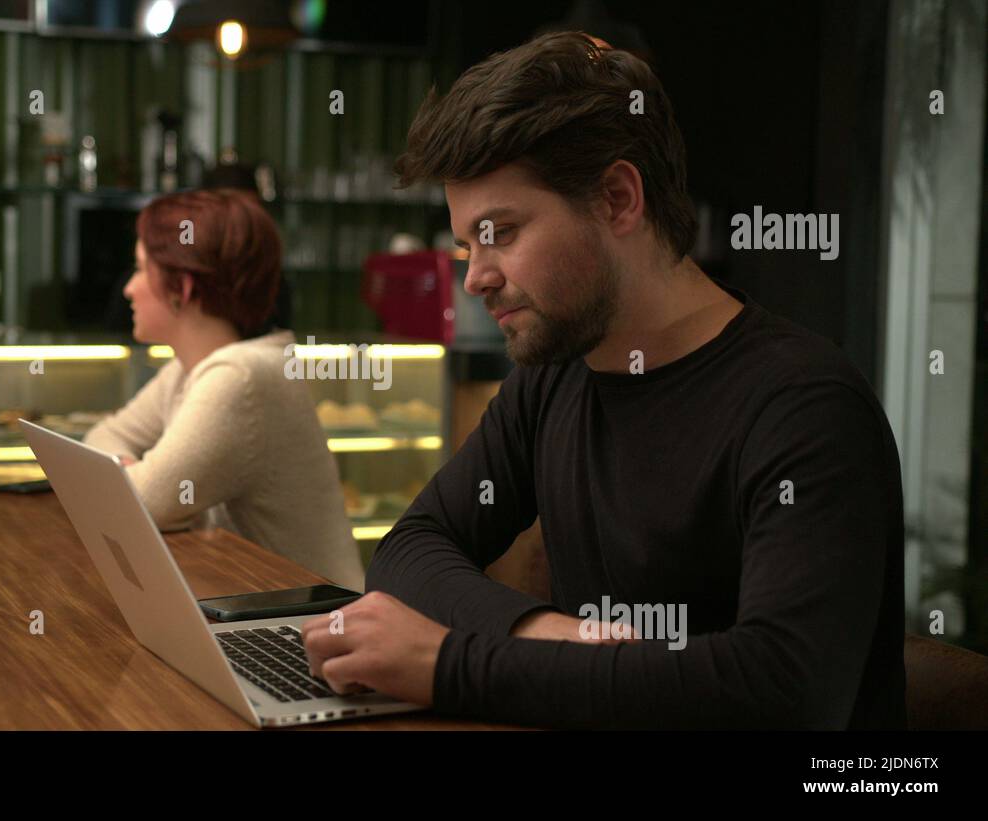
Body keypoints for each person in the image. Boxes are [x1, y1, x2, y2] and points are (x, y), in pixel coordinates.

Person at [300, 31, 906, 729]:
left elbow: (779, 691)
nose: (475, 278)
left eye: (501, 231)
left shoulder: (803, 407)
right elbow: (411, 548)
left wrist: (448, 664)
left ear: (618, 199)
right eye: (468, 244)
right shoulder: (555, 376)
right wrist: (541, 633)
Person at [83, 188, 364, 591]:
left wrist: (134, 484)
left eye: (141, 268)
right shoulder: (190, 368)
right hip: (257, 606)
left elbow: (138, 505)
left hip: (314, 627)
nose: (129, 288)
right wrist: (133, 477)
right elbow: (104, 437)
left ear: (183, 287)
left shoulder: (242, 376)